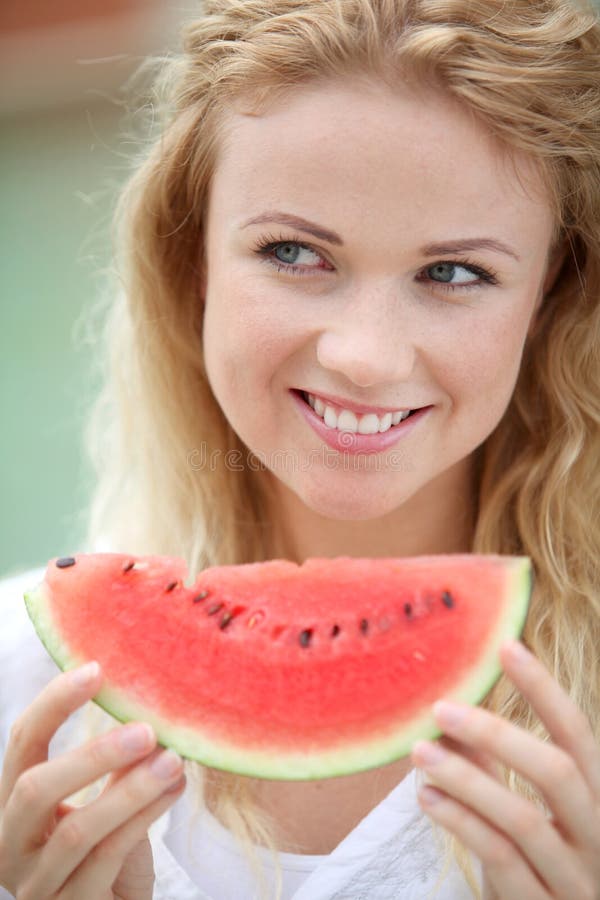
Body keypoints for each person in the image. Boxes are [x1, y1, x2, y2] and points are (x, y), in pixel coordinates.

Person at [1, 0, 600, 897]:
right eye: (292, 253)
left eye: (455, 273)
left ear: (549, 296)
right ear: (190, 255)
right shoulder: (20, 683)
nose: (364, 356)